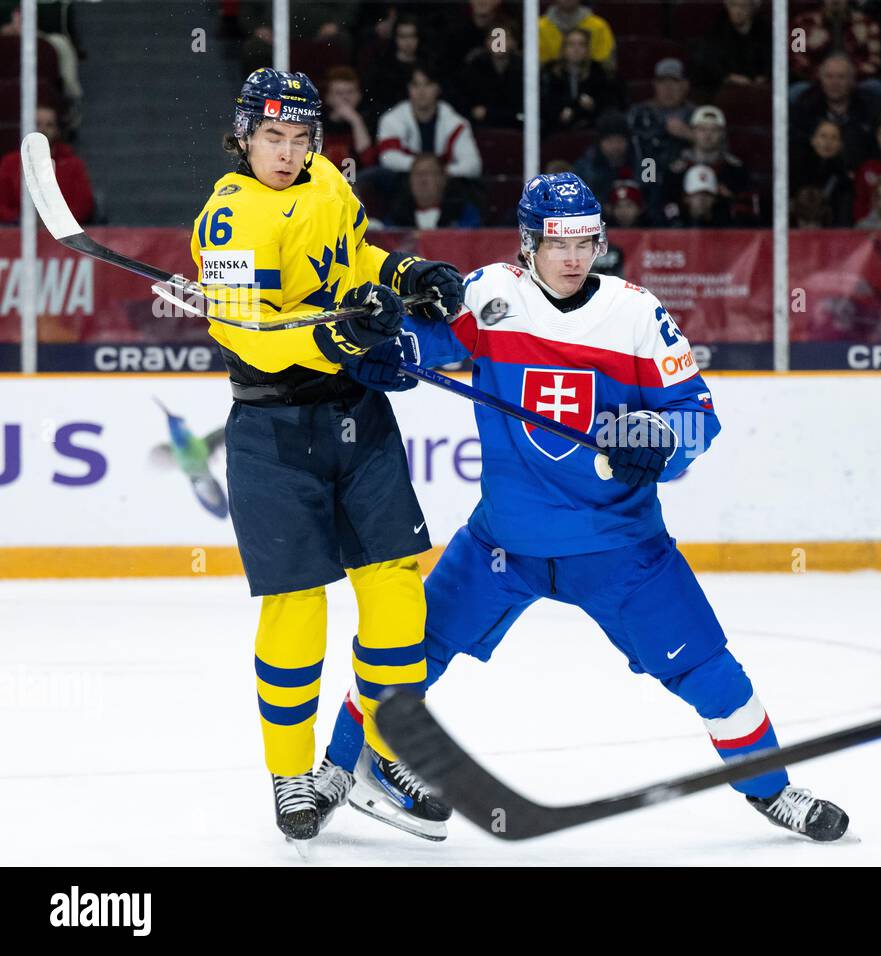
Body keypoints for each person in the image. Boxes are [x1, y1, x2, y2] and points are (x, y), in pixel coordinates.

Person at [317, 172, 851, 843]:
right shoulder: (490, 296)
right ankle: (337, 769)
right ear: (528, 243)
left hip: (619, 546)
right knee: (403, 651)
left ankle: (773, 789)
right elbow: (414, 355)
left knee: (709, 671)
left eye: (585, 242)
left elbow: (697, 417)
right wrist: (372, 337)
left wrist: (658, 440)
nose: (574, 257)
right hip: (502, 544)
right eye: (558, 243)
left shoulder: (636, 313)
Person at [192, 68, 463, 848]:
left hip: (355, 416)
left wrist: (406, 275)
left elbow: (353, 259)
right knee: (298, 608)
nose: (287, 151)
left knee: (398, 597)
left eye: (300, 136)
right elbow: (247, 336)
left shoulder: (329, 187)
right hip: (274, 432)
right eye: (272, 136)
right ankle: (291, 773)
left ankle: (387, 754)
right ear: (244, 136)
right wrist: (339, 334)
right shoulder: (229, 220)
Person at [0, 104, 92, 224]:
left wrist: (55, 221)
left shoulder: (73, 165)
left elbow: (83, 206)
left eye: (49, 125)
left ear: (57, 130)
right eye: (37, 124)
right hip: (17, 233)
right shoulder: (10, 163)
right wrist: (21, 220)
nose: (42, 129)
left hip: (62, 236)